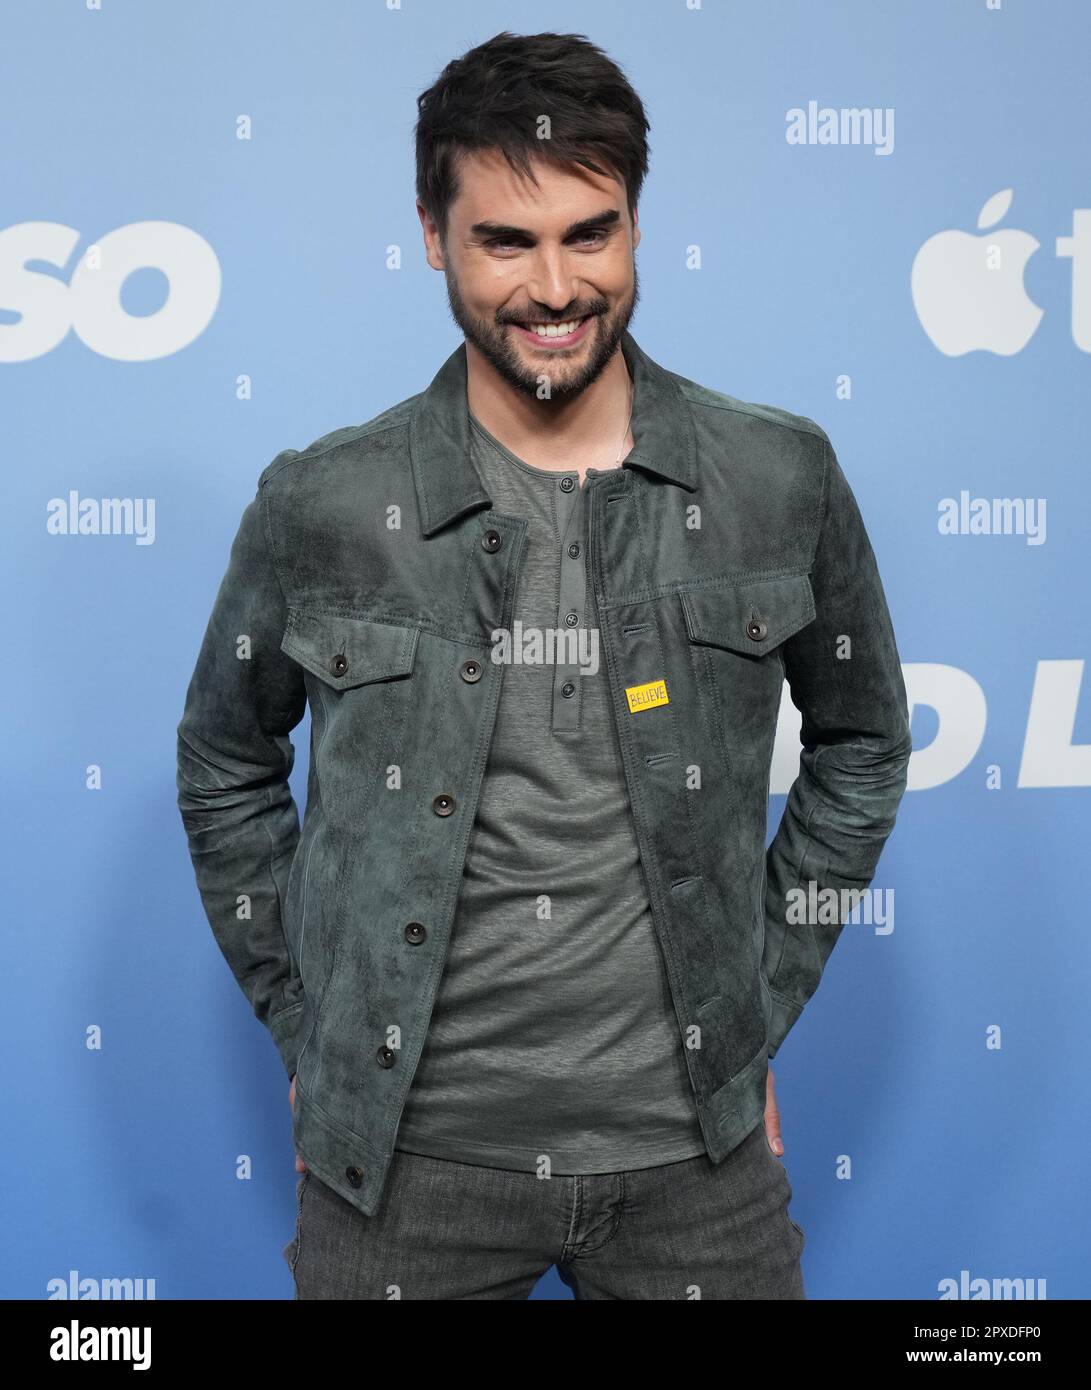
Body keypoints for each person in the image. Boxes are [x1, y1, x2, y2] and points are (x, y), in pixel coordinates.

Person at [176, 29, 912, 1300]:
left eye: (591, 232)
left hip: (697, 1161)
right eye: (504, 242)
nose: (555, 286)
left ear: (636, 225)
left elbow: (863, 747)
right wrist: (317, 1029)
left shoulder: (775, 477)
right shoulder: (325, 502)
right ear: (429, 235)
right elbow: (223, 761)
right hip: (402, 1166)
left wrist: (752, 1007)